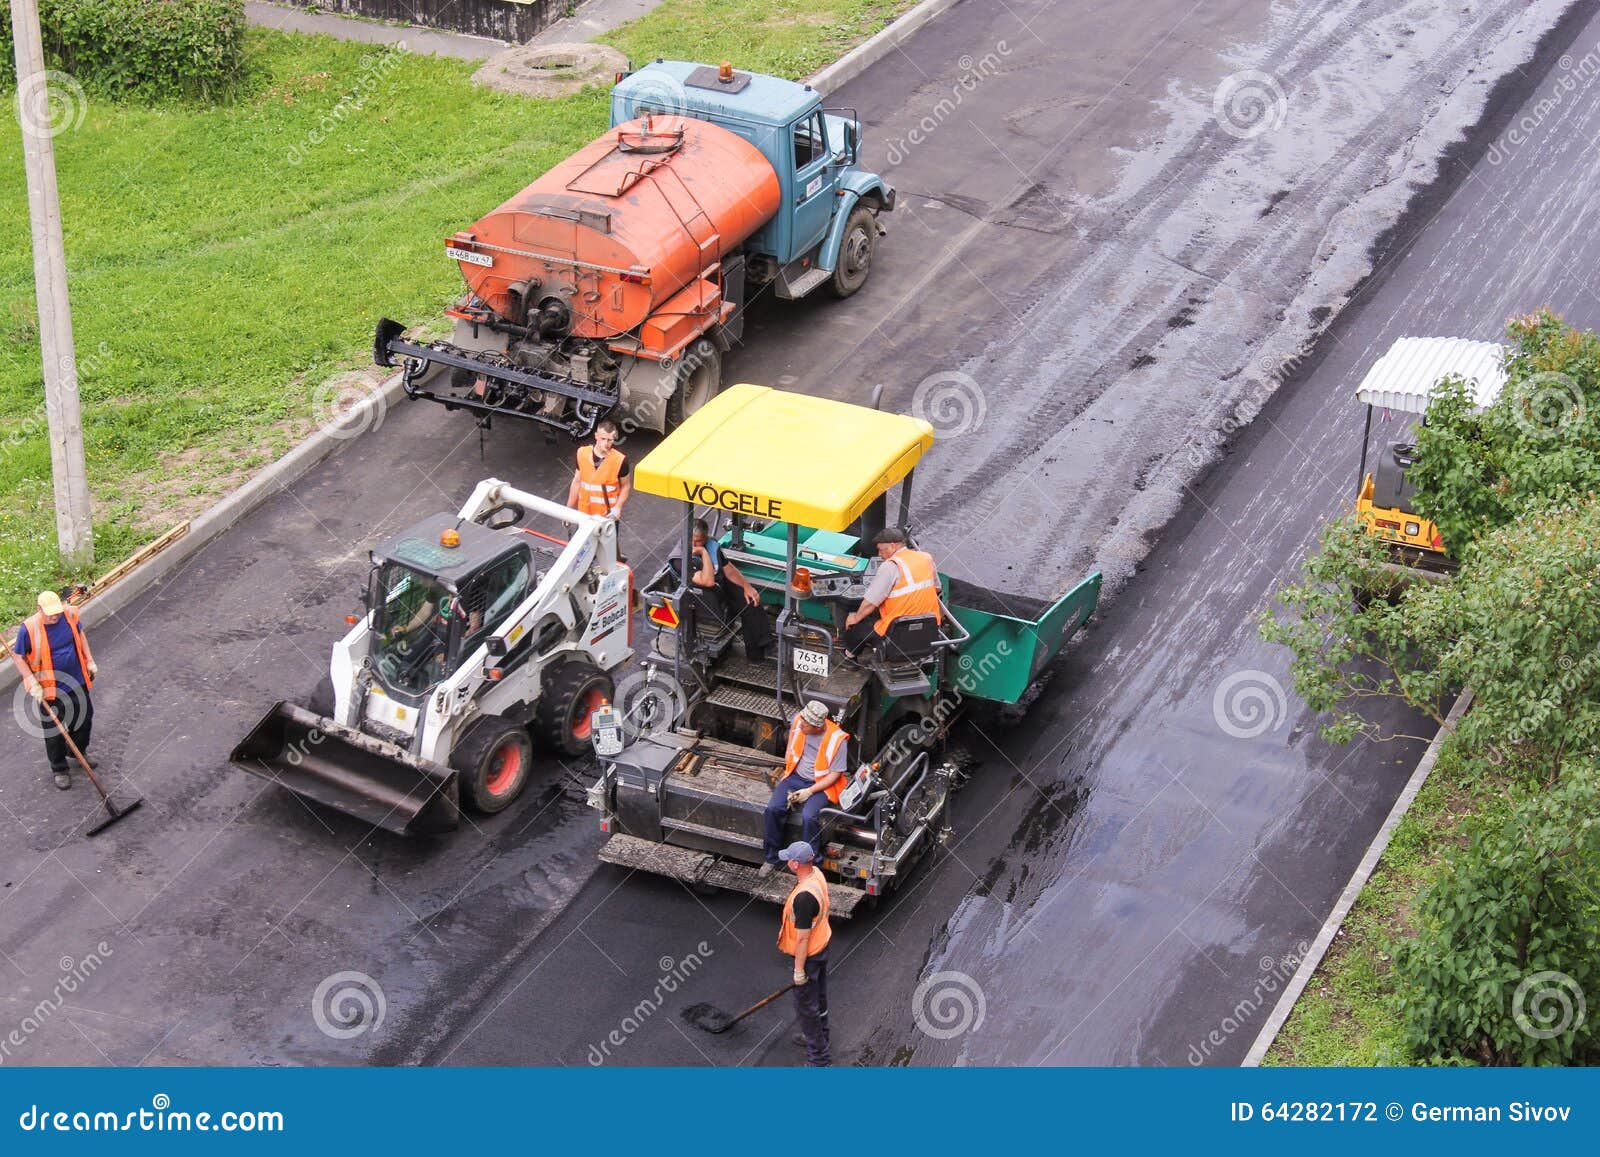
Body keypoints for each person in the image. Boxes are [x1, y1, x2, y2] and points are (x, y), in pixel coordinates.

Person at [14, 591, 98, 790]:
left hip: (77, 680)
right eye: (50, 614)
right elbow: (19, 657)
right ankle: (60, 769)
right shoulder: (29, 628)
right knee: (54, 732)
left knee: (85, 720)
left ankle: (77, 751)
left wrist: (90, 660)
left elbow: (81, 636)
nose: (55, 617)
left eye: (57, 613)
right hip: (49, 689)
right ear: (39, 609)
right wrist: (32, 682)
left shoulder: (69, 614)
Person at [761, 701, 848, 876]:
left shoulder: (837, 739)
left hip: (822, 784)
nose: (800, 725)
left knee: (809, 817)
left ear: (817, 727)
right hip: (795, 778)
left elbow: (835, 775)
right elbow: (791, 749)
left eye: (805, 724)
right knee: (772, 810)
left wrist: (810, 791)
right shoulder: (799, 721)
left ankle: (812, 863)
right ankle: (772, 859)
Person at [842, 527, 943, 657]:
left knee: (857, 628)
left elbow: (870, 603)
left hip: (897, 634)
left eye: (880, 550)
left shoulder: (890, 566)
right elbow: (937, 588)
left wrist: (855, 618)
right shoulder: (926, 558)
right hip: (929, 630)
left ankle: (848, 658)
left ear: (892, 546)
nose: (879, 554)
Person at [777, 840, 832, 1066]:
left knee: (806, 1008)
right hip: (822, 945)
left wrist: (799, 970)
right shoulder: (816, 874)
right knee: (818, 998)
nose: (787, 862)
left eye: (789, 859)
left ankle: (819, 1059)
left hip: (809, 955)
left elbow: (802, 937)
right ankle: (821, 1037)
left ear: (796, 864)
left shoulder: (804, 897)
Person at [688, 518, 772, 662]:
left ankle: (758, 653)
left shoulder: (712, 546)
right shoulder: (680, 559)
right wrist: (702, 552)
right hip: (701, 597)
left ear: (706, 538)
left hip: (720, 588)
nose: (695, 545)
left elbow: (728, 569)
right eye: (693, 541)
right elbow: (708, 581)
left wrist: (747, 586)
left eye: (700, 542)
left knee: (751, 602)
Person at [566, 420, 631, 520]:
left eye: (609, 440)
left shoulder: (620, 460)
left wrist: (618, 508)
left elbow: (626, 486)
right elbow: (577, 482)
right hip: (584, 515)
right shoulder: (582, 453)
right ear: (596, 436)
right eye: (603, 438)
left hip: (607, 517)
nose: (605, 443)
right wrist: (568, 511)